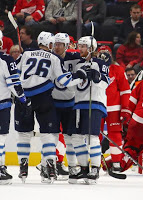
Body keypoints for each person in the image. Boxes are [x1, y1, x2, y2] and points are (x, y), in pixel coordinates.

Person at [15, 31, 85, 183]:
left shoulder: (26, 54)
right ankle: (51, 165)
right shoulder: (54, 58)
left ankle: (23, 168)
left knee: (24, 134)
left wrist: (19, 94)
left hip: (23, 97)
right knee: (49, 133)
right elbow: (64, 80)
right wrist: (80, 76)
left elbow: (15, 75)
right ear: (50, 44)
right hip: (44, 98)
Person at [69, 36, 109, 184]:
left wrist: (97, 77)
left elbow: (106, 83)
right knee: (76, 137)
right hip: (79, 104)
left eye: (83, 46)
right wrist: (76, 77)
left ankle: (95, 168)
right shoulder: (79, 64)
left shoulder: (99, 63)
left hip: (94, 103)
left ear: (91, 48)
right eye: (79, 46)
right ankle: (84, 168)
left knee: (92, 137)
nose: (80, 49)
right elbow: (71, 85)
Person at [0, 37, 29, 184]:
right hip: (2, 104)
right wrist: (22, 97)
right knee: (1, 138)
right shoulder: (6, 60)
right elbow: (14, 82)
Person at [52, 32, 81, 180]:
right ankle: (50, 165)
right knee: (52, 136)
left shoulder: (75, 57)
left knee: (70, 137)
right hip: (54, 103)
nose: (57, 47)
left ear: (66, 46)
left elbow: (87, 59)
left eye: (60, 44)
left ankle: (72, 167)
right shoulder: (50, 58)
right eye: (55, 44)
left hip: (70, 103)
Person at [97, 45, 131, 171]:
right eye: (101, 53)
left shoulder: (118, 70)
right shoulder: (94, 68)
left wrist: (125, 108)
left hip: (114, 109)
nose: (104, 55)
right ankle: (95, 162)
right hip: (97, 106)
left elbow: (125, 91)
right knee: (95, 135)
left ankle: (116, 162)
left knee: (115, 134)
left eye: (106, 53)